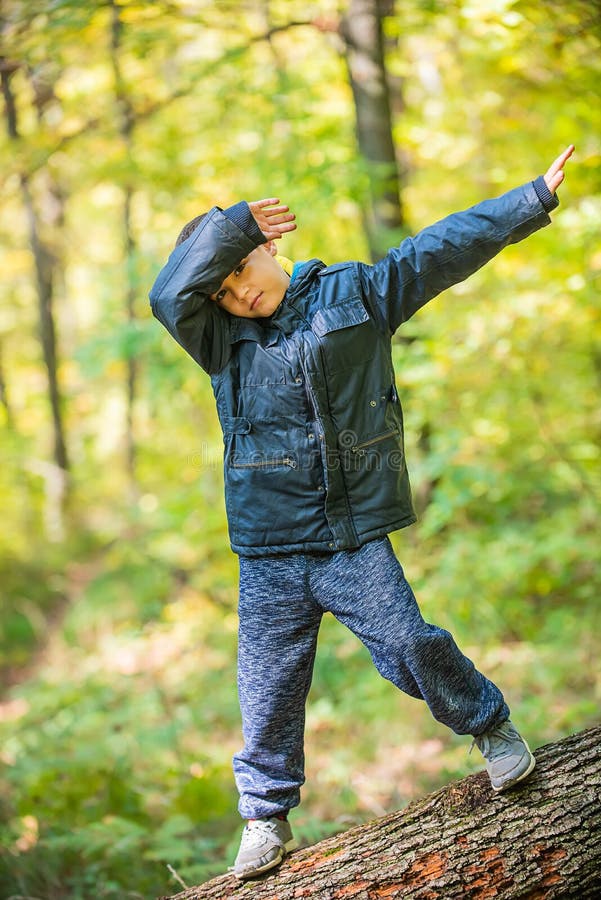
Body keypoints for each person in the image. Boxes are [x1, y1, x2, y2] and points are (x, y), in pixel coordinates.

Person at [149, 145, 574, 880]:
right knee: (268, 688)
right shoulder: (218, 342)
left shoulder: (356, 294)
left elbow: (439, 250)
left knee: (412, 643)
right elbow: (165, 297)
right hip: (270, 551)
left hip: (350, 540)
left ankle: (490, 726)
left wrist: (528, 200)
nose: (237, 295)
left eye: (240, 270)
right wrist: (227, 229)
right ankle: (264, 817)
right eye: (218, 289)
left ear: (270, 245)